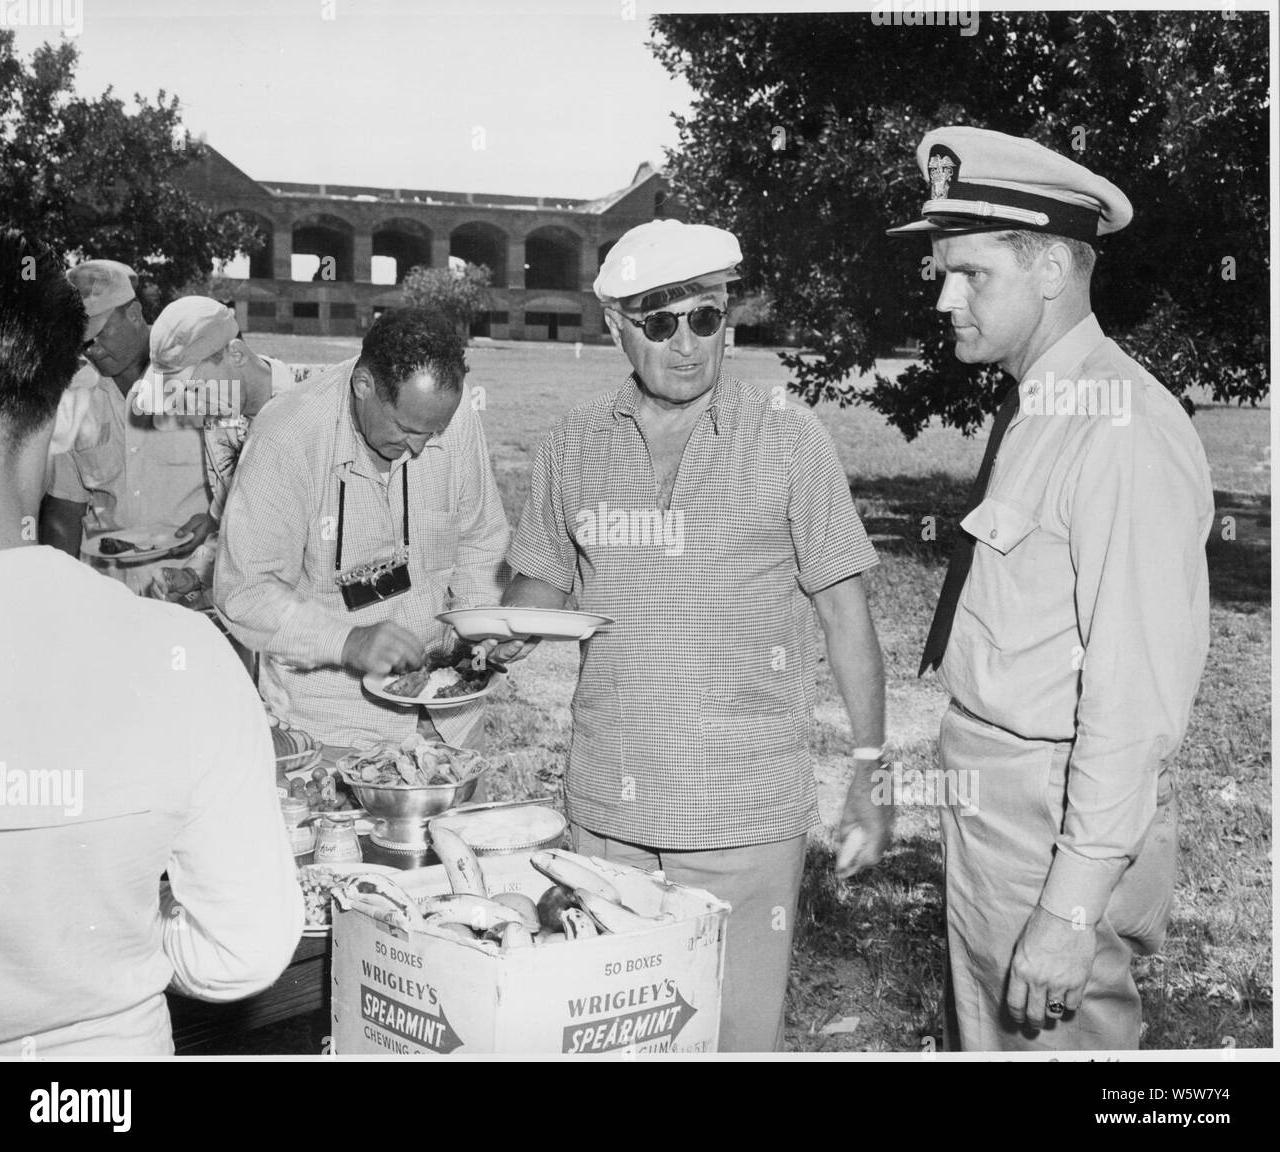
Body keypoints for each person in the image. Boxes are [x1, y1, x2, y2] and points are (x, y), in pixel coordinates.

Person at [498, 219, 888, 1051]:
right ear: (615, 327)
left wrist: (867, 770)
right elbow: (536, 589)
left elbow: (846, 612)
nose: (686, 346)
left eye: (705, 319)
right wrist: (501, 629)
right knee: (612, 1044)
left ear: (728, 321)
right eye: (660, 322)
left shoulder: (788, 441)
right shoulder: (571, 449)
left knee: (736, 1043)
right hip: (608, 817)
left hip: (744, 817)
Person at [889, 126, 1214, 1050]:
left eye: (971, 274)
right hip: (997, 790)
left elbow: (1135, 697)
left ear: (1051, 269)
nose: (945, 298)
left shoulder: (1122, 430)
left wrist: (1070, 911)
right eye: (941, 273)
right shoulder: (1043, 401)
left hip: (1049, 806)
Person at [0, 225, 303, 1058]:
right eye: (85, 332)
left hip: (179, 597)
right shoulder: (83, 402)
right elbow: (52, 522)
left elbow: (233, 486)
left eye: (109, 322)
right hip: (109, 600)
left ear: (138, 313)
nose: (101, 339)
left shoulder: (193, 383)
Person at [214, 306, 510, 753]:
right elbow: (246, 592)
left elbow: (481, 538)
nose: (420, 448)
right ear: (363, 385)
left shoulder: (447, 414)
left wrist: (481, 627)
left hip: (449, 722)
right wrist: (347, 641)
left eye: (435, 432)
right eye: (408, 429)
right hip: (332, 729)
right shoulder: (287, 437)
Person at [40, 259, 216, 594]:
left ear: (134, 313)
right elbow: (64, 512)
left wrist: (215, 517)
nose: (93, 350)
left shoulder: (203, 378)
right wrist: (59, 597)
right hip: (109, 596)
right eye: (82, 341)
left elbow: (252, 487)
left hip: (192, 593)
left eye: (100, 332)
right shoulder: (76, 397)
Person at [138, 295, 295, 607]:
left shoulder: (309, 416)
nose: (188, 402)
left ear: (235, 354)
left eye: (193, 387)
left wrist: (212, 594)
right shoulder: (219, 418)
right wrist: (197, 575)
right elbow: (237, 529)